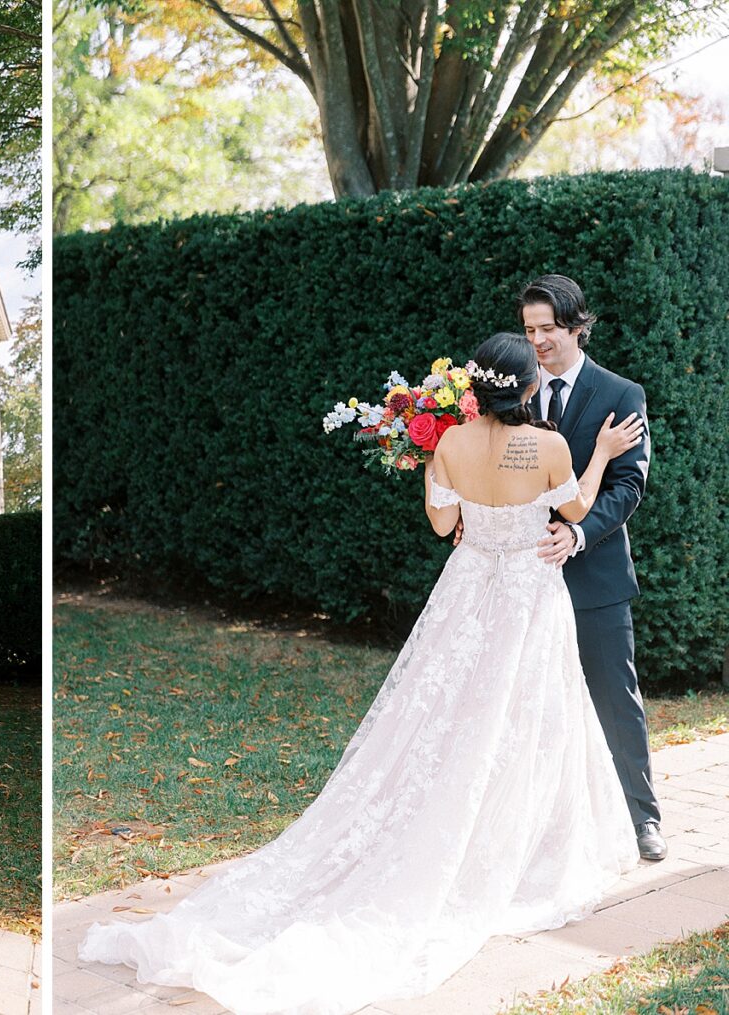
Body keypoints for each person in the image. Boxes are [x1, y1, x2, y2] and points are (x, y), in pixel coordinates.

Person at [79, 332, 647, 1014]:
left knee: (447, 720)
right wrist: (604, 456)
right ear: (528, 387)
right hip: (528, 593)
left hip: (467, 598)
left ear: (478, 389)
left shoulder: (451, 444)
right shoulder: (550, 446)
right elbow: (577, 510)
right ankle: (519, 850)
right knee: (527, 721)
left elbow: (443, 524)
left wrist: (472, 505)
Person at [517, 274, 661, 861]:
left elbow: (630, 485)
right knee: (527, 701)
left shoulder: (621, 394)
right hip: (523, 575)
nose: (539, 342)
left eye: (548, 329)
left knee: (613, 697)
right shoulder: (512, 392)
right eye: (530, 331)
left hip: (596, 576)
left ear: (578, 325)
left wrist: (577, 533)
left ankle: (641, 820)